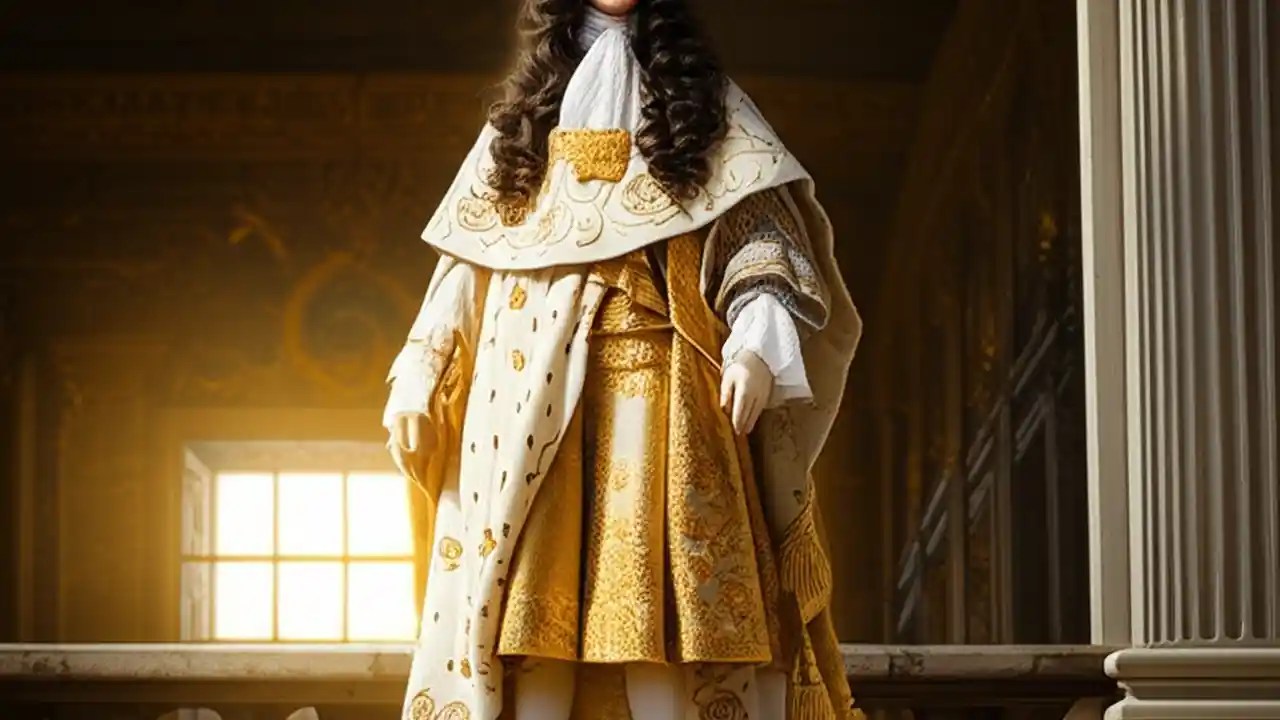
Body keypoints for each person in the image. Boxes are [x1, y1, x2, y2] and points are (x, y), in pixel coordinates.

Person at [382, 0, 862, 717]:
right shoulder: (523, 123)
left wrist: (756, 341)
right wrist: (419, 375)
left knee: (660, 615)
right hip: (527, 397)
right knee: (528, 620)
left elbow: (759, 233)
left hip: (665, 390)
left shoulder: (706, 108)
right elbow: (466, 267)